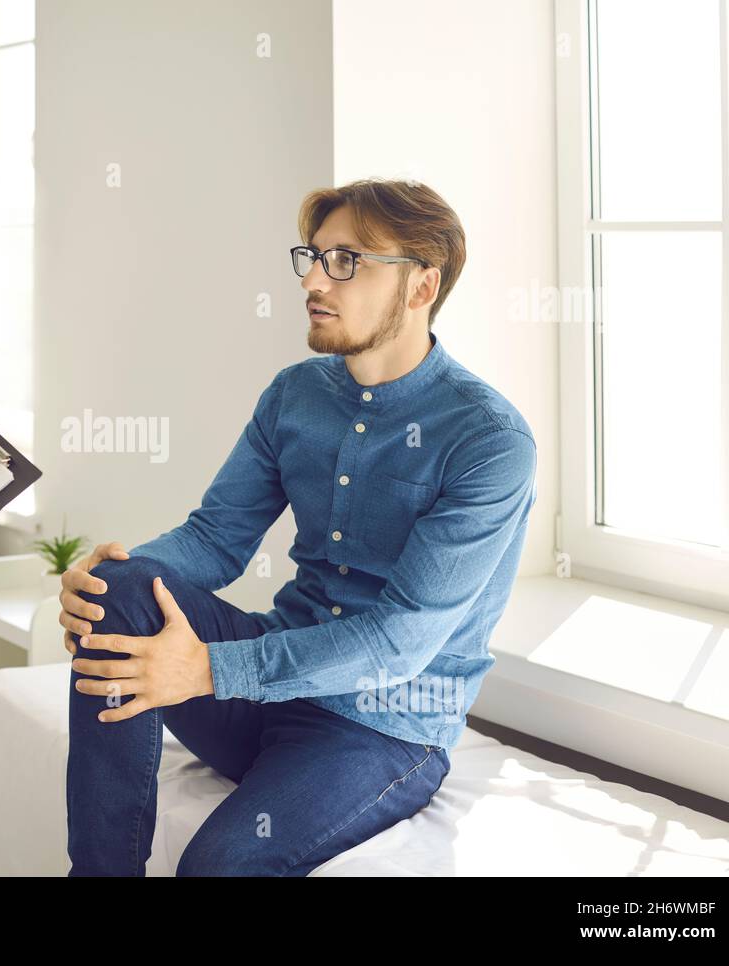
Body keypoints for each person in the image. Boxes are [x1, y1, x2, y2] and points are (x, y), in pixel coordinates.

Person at [59, 179, 538, 875]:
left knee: (217, 867)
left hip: (381, 728)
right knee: (116, 585)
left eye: (347, 261)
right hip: (264, 691)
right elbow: (214, 540)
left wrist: (213, 669)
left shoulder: (488, 440)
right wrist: (109, 578)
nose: (314, 279)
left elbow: (399, 642)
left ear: (421, 285)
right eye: (312, 257)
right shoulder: (296, 393)